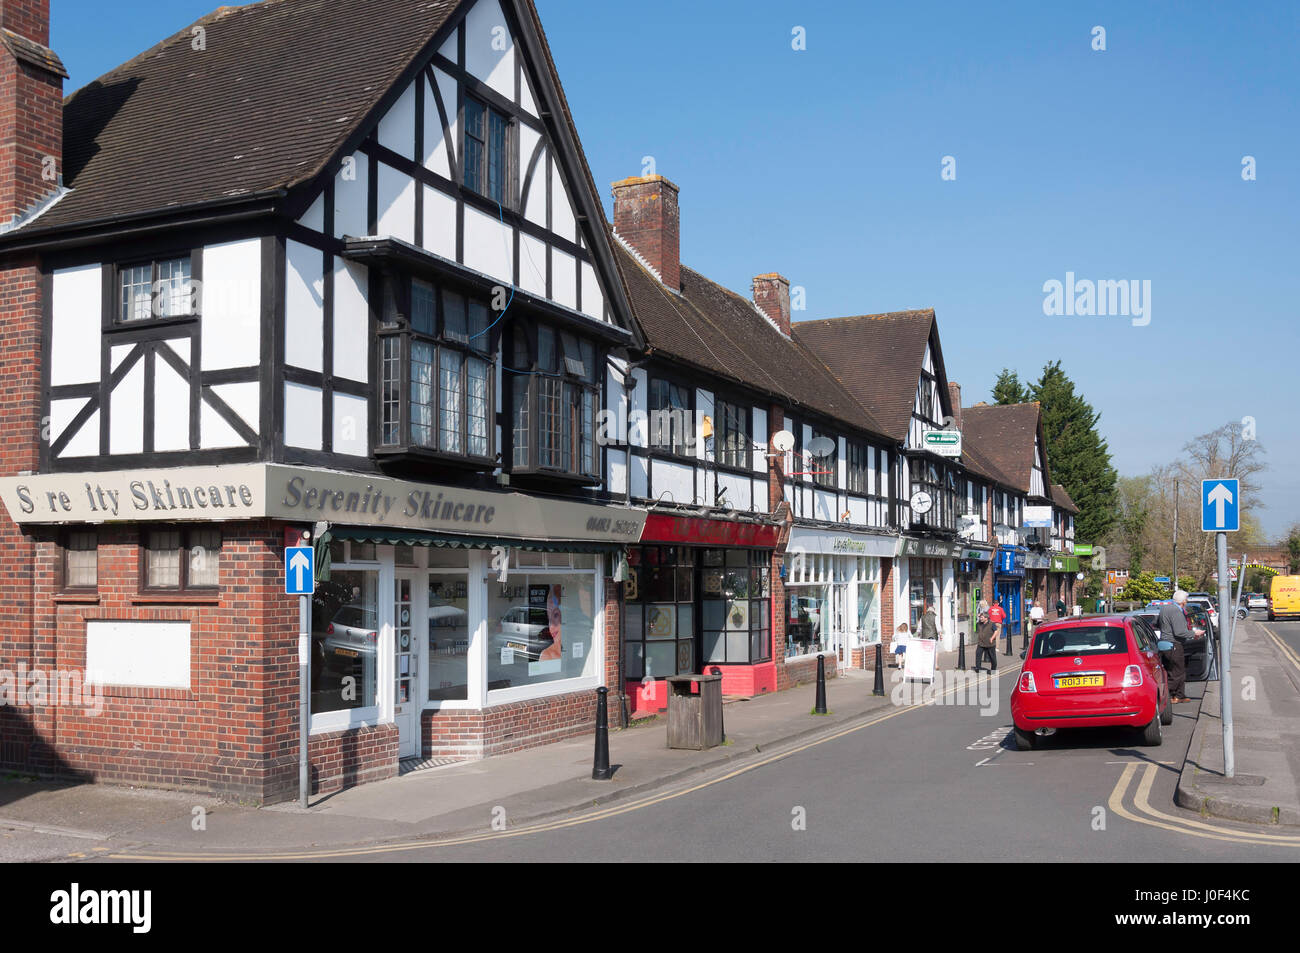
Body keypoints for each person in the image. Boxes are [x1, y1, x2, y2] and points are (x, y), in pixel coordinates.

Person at [1155, 590, 1192, 703]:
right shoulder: (1176, 611)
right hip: (1173, 644)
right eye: (1186, 600)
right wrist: (1195, 634)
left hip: (1163, 644)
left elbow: (1156, 623)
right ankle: (1165, 695)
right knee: (1178, 673)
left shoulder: (1164, 608)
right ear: (1183, 601)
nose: (1187, 602)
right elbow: (1179, 632)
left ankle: (1179, 695)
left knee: (1172, 671)